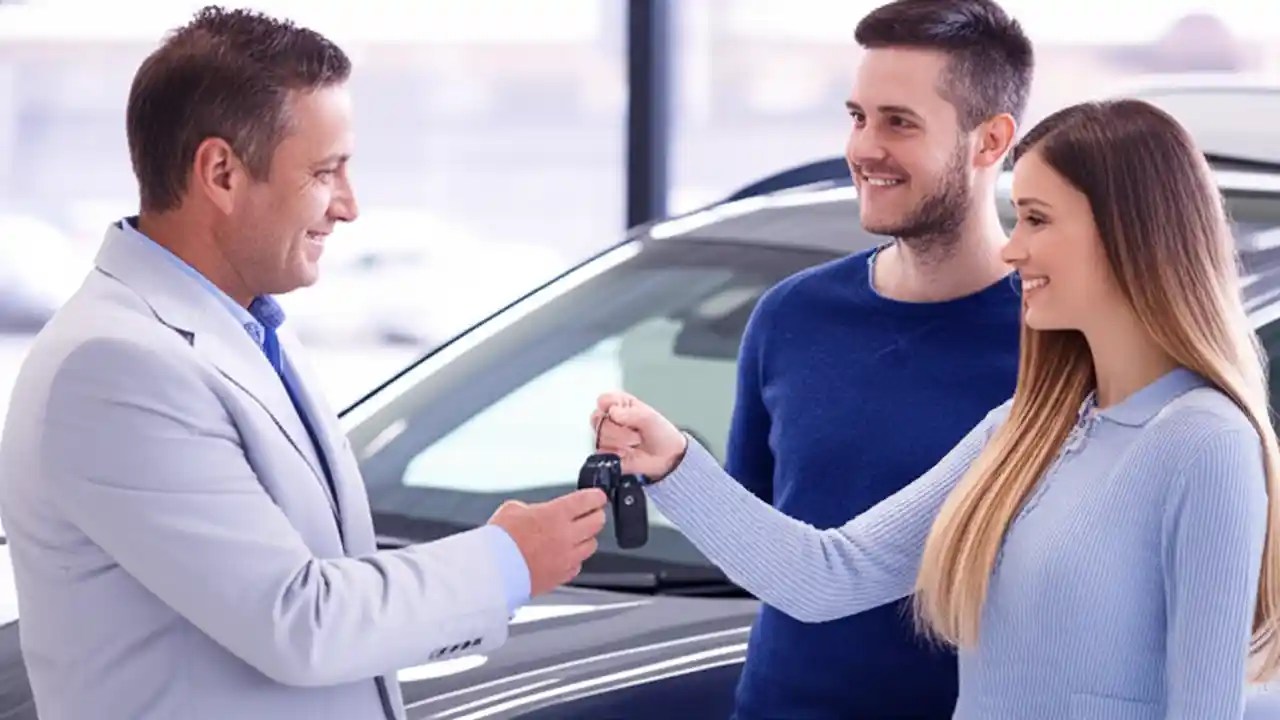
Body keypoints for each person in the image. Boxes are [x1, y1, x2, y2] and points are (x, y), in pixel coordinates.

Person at [0, 8, 607, 720]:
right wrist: (507, 561)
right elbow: (299, 620)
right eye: (325, 171)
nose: (348, 206)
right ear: (221, 171)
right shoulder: (113, 369)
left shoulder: (242, 331)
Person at [592, 97, 1280, 718]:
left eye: (1037, 220)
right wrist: (672, 463)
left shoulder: (1204, 441)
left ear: (1125, 232)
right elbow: (828, 575)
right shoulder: (1020, 430)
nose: (1012, 250)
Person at [706, 0, 1034, 717]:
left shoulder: (1057, 346)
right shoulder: (790, 316)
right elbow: (760, 547)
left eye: (899, 122)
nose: (863, 148)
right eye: (858, 116)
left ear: (990, 140)